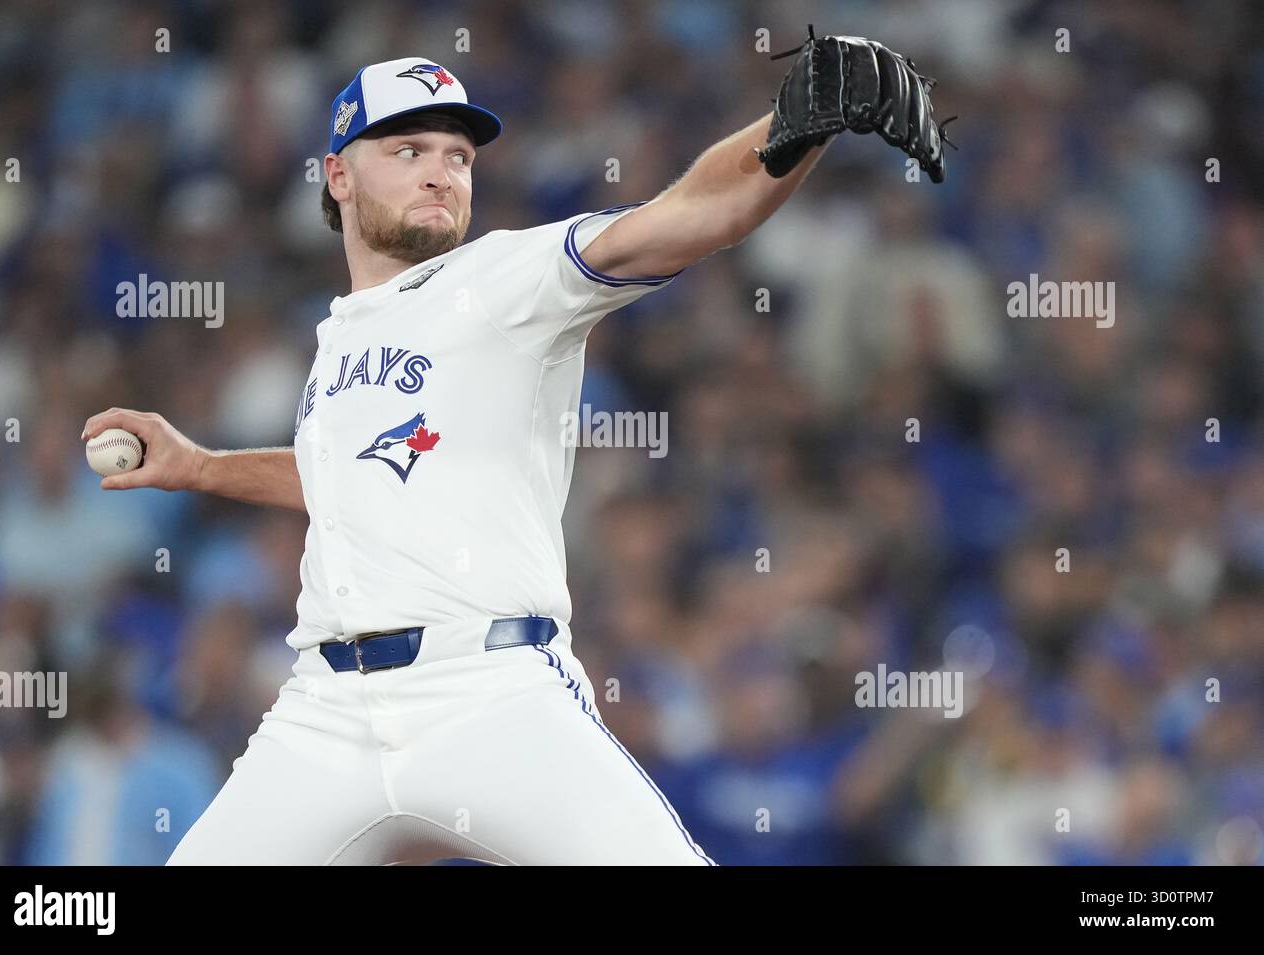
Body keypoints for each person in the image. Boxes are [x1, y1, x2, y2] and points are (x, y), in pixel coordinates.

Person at [80, 54, 836, 865]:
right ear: (338, 174)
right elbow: (347, 477)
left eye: (458, 155)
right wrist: (200, 467)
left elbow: (693, 211)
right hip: (324, 709)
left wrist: (802, 122)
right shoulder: (339, 333)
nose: (441, 173)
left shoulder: (506, 278)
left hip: (489, 691)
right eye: (409, 151)